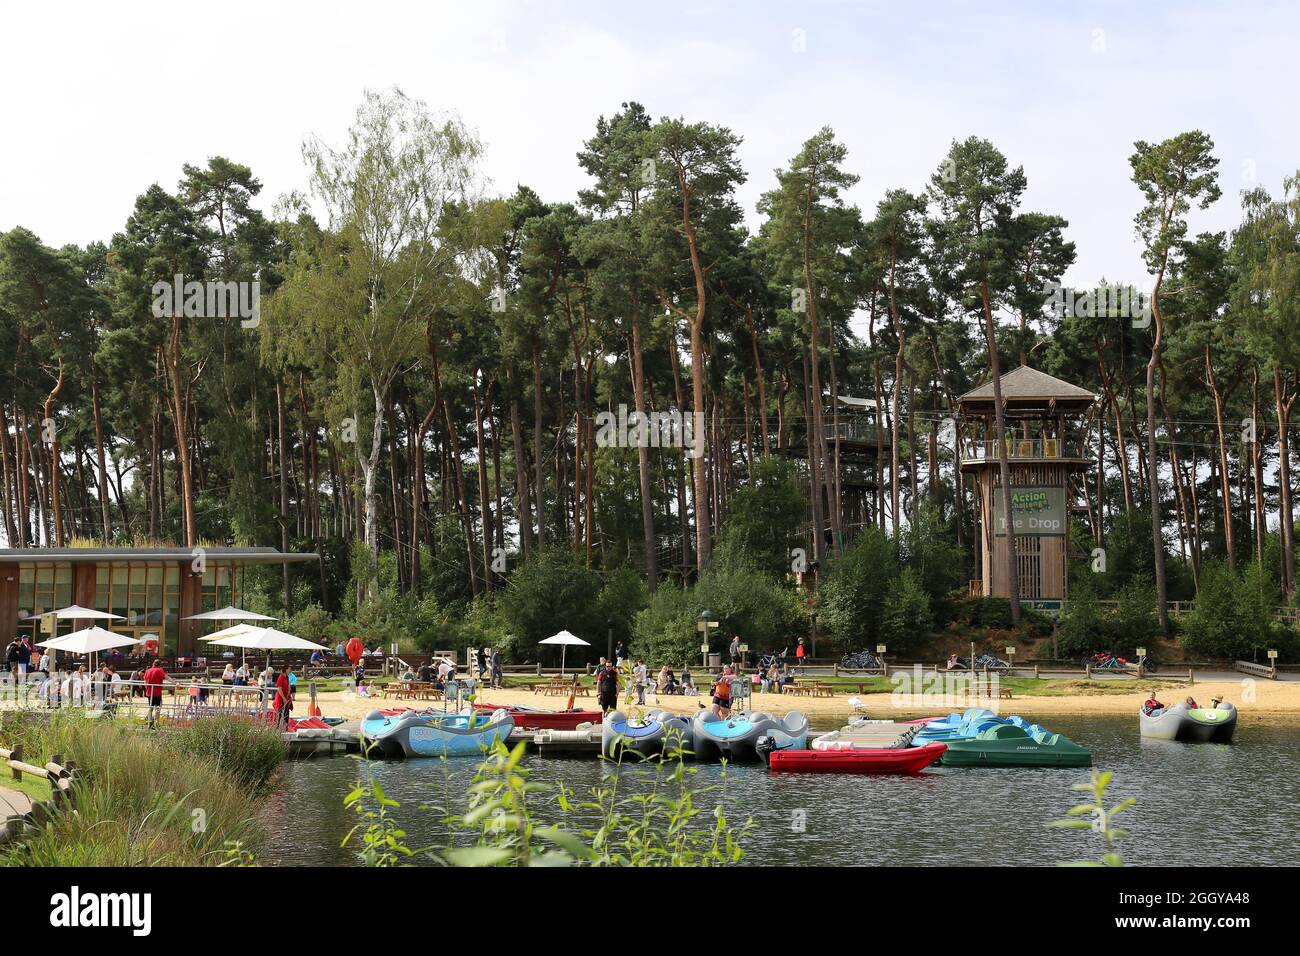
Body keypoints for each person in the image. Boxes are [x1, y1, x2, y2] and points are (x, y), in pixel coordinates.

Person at [143, 658, 168, 728]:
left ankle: (149, 723)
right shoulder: (159, 670)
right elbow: (167, 677)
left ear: (153, 663)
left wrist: (147, 688)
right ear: (160, 665)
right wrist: (176, 683)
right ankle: (156, 723)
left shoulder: (147, 671)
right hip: (157, 693)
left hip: (149, 692)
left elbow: (145, 681)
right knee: (157, 708)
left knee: (150, 708)